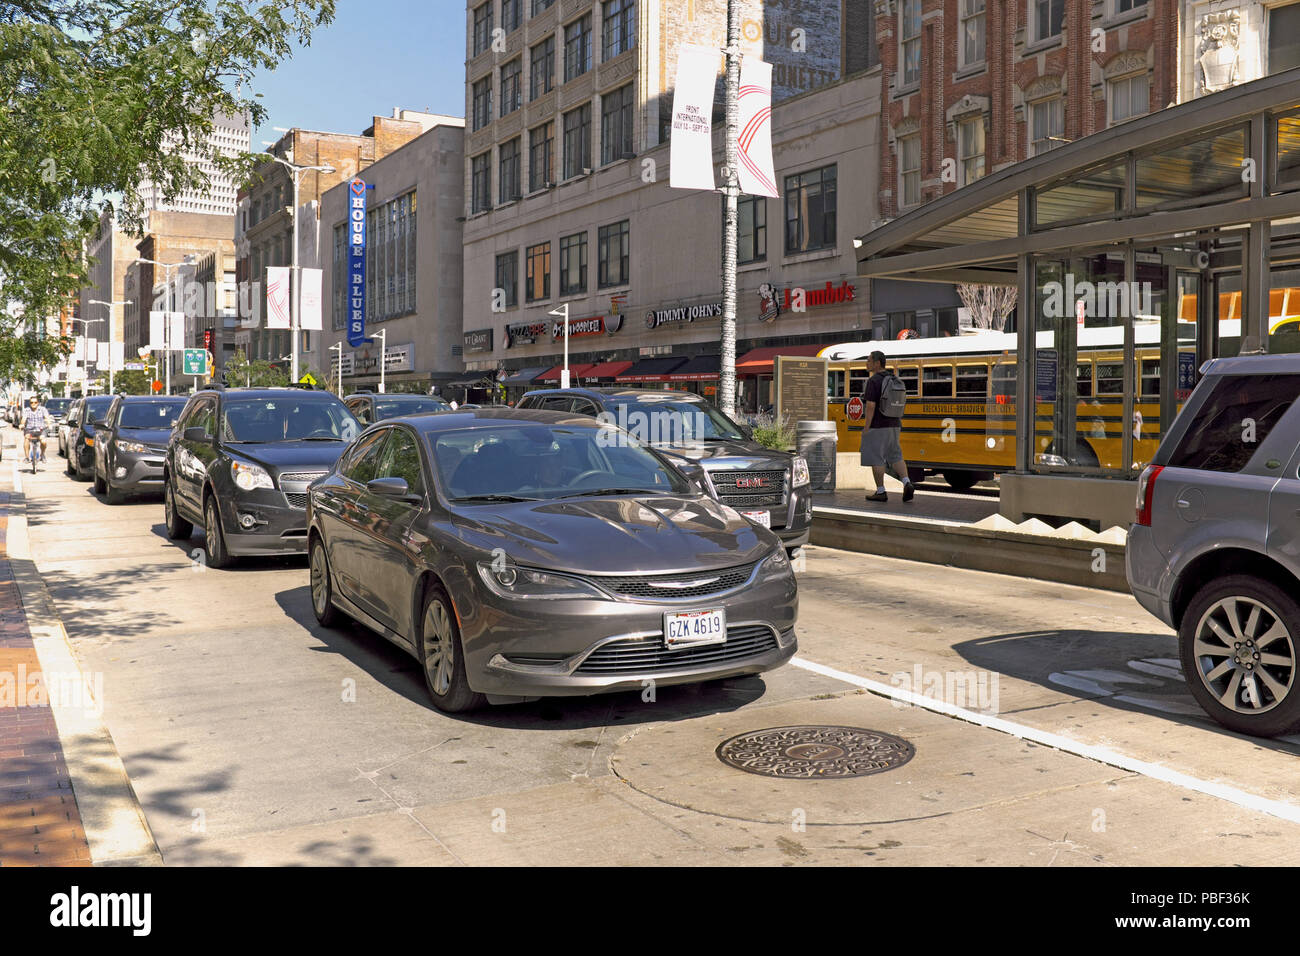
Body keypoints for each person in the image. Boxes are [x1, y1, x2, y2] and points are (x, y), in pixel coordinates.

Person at [859, 350, 914, 503]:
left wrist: (866, 427)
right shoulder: (893, 378)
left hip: (878, 425)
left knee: (877, 458)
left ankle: (881, 491)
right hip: (895, 423)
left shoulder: (873, 381)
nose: (867, 363)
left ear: (877, 363)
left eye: (869, 360)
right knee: (896, 455)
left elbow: (870, 406)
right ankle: (906, 482)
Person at [21, 397, 50, 463]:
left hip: (40, 430)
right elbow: (23, 419)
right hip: (29, 430)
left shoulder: (43, 409)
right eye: (31, 402)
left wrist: (49, 424)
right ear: (29, 403)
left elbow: (47, 418)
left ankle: (42, 455)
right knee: (26, 439)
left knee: (43, 441)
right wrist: (22, 424)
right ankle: (27, 457)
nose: (33, 404)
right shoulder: (27, 410)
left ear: (38, 403)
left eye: (35, 402)